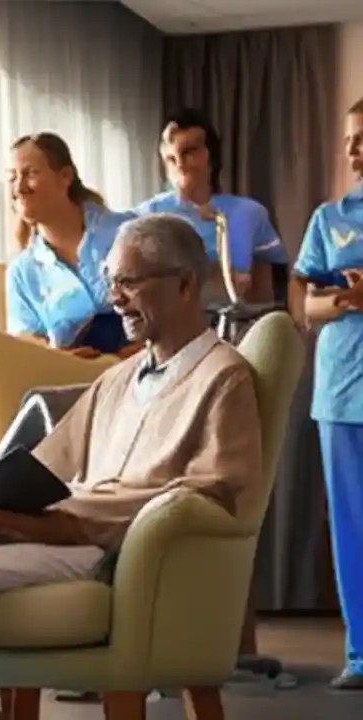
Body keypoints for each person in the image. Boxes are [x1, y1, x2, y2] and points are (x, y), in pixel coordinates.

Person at [0, 214, 262, 720]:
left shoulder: (223, 376)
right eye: (111, 282)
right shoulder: (118, 379)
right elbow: (48, 463)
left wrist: (73, 520)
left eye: (129, 282)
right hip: (56, 533)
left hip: (111, 548)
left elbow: (215, 490)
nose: (114, 298)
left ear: (185, 284)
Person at [292, 95, 363, 691]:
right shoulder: (329, 218)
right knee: (353, 527)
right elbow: (303, 302)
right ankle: (362, 654)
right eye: (349, 140)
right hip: (341, 391)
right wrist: (340, 299)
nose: (354, 150)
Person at [6, 132, 139, 358]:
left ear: (65, 176)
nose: (19, 187)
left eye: (30, 173)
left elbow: (171, 305)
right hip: (76, 377)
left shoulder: (129, 232)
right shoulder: (21, 273)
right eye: (12, 177)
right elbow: (29, 350)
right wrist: (63, 360)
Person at [135, 108, 289, 303]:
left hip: (234, 318)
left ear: (212, 156)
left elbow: (266, 291)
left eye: (189, 152)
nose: (180, 164)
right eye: (171, 158)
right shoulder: (148, 216)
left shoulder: (250, 213)